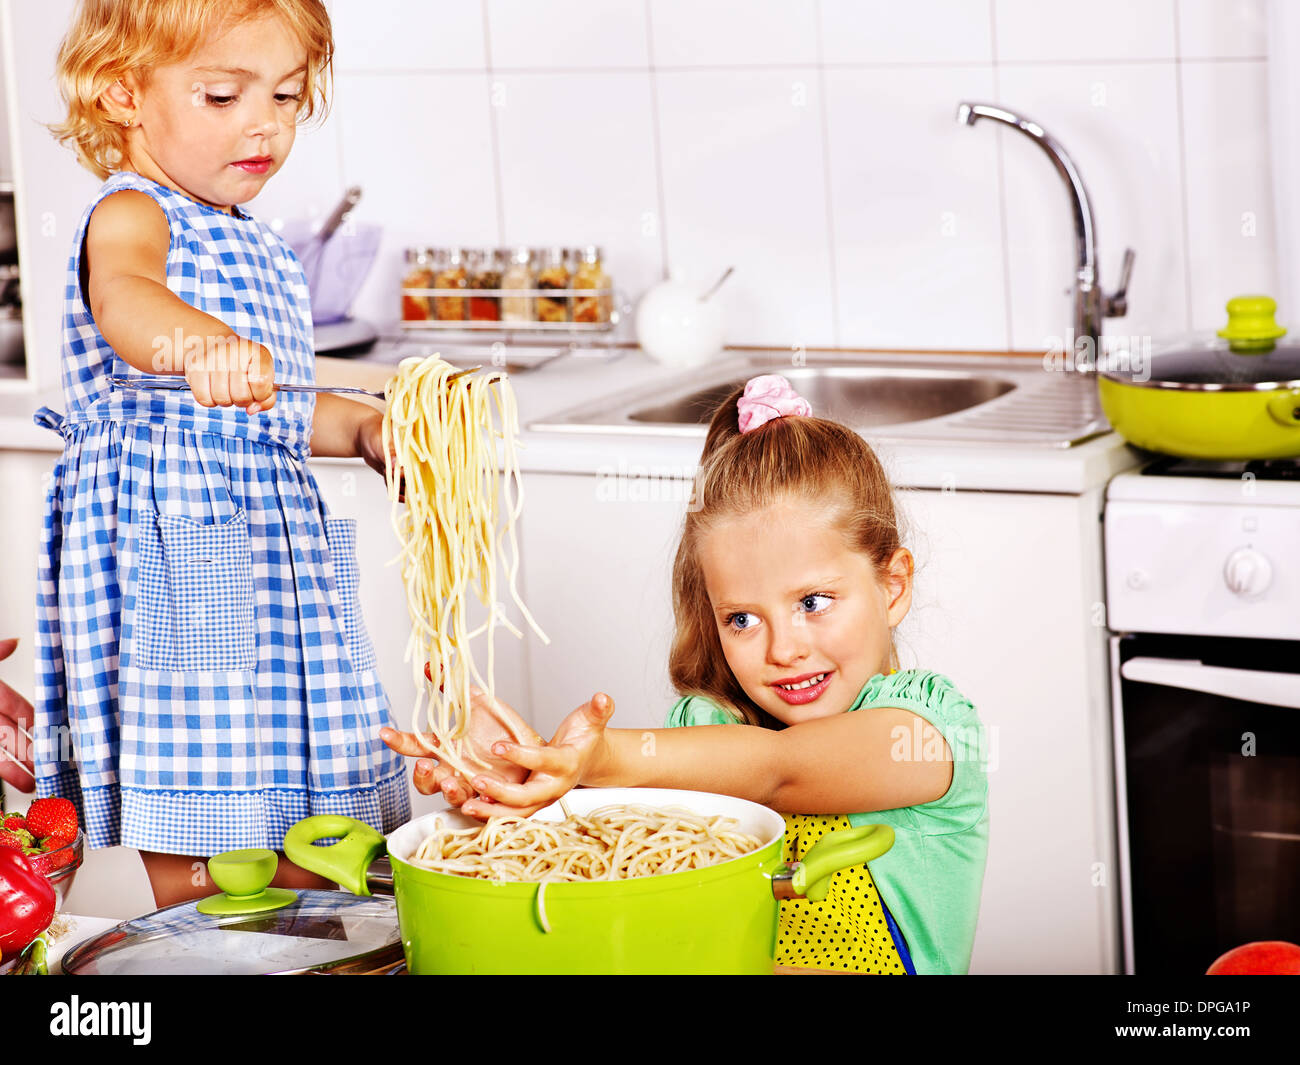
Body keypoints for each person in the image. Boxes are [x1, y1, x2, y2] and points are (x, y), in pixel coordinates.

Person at [384, 375, 990, 974]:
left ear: (892, 586)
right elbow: (609, 849)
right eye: (743, 618)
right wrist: (529, 770)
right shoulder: (706, 728)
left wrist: (592, 761)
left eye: (813, 602)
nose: (783, 649)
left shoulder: (928, 733)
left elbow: (779, 770)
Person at [33, 0, 409, 907]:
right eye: (221, 95)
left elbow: (269, 404)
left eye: (285, 95)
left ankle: (300, 925)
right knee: (204, 774)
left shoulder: (262, 247)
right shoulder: (133, 212)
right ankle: (206, 922)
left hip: (268, 552)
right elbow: (127, 300)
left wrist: (359, 425)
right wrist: (193, 340)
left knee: (294, 778)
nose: (265, 123)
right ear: (123, 93)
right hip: (177, 544)